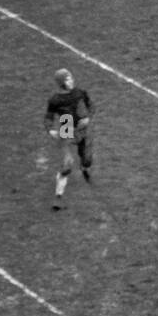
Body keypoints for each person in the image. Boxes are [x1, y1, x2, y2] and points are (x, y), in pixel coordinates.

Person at [44, 68, 93, 210]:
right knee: (67, 165)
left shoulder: (80, 93)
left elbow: (91, 106)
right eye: (68, 79)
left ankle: (84, 167)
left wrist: (88, 118)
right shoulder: (55, 99)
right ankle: (58, 197)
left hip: (81, 127)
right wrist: (50, 129)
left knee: (87, 159)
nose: (72, 80)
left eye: (71, 77)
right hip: (66, 126)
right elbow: (48, 117)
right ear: (62, 83)